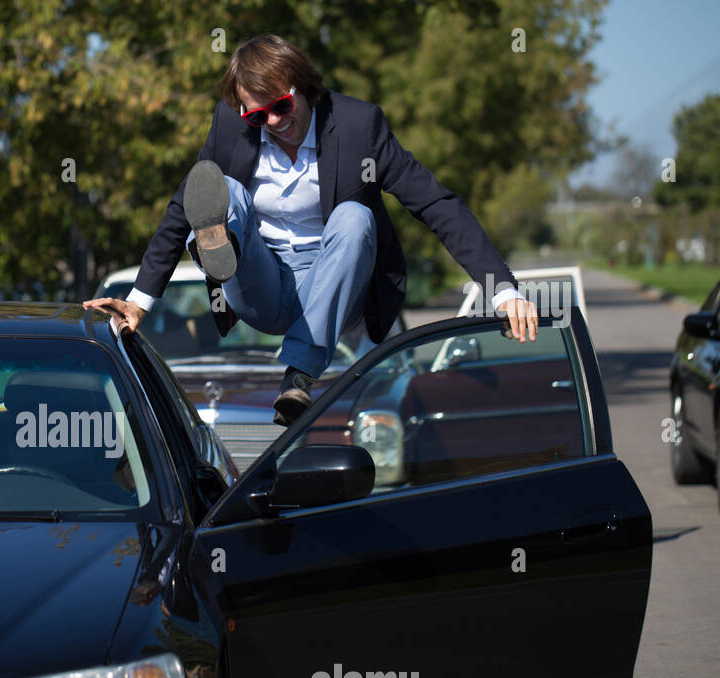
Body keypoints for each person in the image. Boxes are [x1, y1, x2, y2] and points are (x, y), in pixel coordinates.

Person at [83, 34, 540, 427]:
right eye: (257, 116)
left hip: (329, 282)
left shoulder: (360, 126)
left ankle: (299, 375)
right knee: (218, 190)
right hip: (258, 281)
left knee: (355, 216)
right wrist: (140, 301)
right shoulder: (229, 127)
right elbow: (179, 209)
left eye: (281, 107)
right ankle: (218, 247)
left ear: (302, 86)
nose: (274, 123)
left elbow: (436, 205)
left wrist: (502, 290)